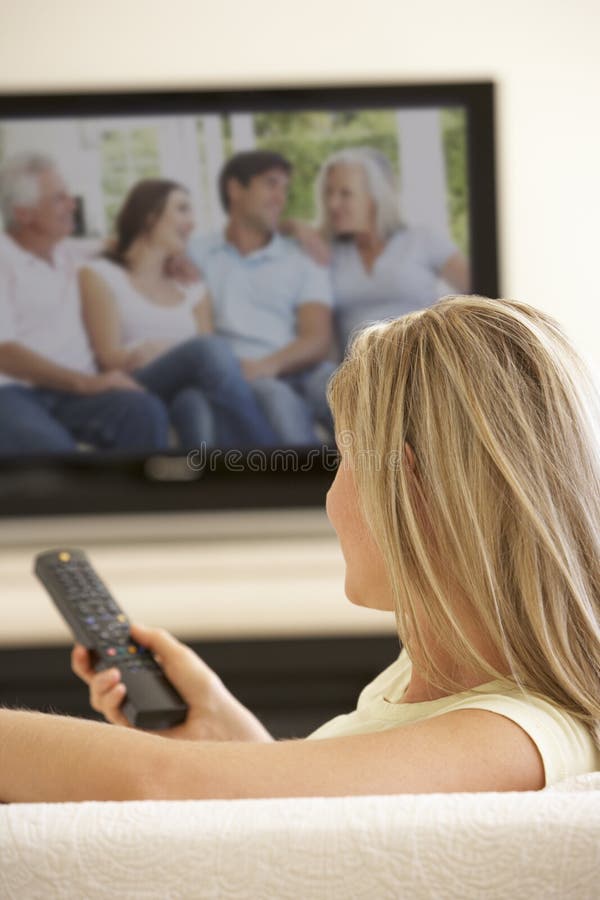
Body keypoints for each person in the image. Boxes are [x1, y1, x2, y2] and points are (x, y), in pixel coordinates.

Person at [2, 294, 599, 803]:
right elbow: (323, 819)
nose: (331, 498)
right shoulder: (433, 678)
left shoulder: (515, 738)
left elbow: (162, 785)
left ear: (409, 489)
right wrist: (224, 733)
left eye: (342, 461)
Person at [79, 178, 279, 449]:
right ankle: (264, 458)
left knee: (194, 403)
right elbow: (108, 359)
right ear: (150, 218)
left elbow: (214, 371)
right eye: (182, 209)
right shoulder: (102, 275)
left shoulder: (191, 286)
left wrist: (164, 348)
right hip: (137, 382)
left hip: (186, 389)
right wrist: (143, 353)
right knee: (208, 350)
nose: (192, 222)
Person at [0, 153, 169, 455]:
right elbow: (4, 351)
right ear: (24, 213)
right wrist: (84, 383)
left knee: (143, 410)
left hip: (73, 392)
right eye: (59, 199)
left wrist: (175, 259)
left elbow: (125, 247)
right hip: (13, 392)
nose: (72, 204)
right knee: (54, 456)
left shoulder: (66, 252)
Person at [187, 150, 336, 446]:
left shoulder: (302, 256)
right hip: (244, 375)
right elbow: (136, 247)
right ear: (235, 189)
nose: (280, 197)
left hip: (301, 367)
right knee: (278, 401)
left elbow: (317, 338)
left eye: (284, 188)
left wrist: (269, 364)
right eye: (271, 184)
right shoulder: (196, 254)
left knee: (352, 392)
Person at [285, 146, 471, 354]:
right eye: (329, 193)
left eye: (345, 194)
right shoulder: (326, 250)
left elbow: (482, 293)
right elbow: (261, 232)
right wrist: (293, 226)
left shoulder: (422, 240)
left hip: (424, 364)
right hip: (358, 375)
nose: (332, 203)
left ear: (374, 198)